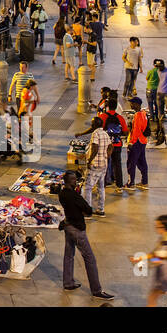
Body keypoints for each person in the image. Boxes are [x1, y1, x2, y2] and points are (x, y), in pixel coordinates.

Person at [57, 170, 113, 300]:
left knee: (69, 255)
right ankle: (96, 290)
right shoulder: (75, 196)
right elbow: (88, 210)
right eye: (73, 179)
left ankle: (68, 282)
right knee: (90, 259)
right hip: (77, 229)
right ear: (69, 181)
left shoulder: (62, 194)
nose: (75, 181)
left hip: (67, 226)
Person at [83, 117, 111, 215]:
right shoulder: (105, 134)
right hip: (103, 165)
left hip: (95, 165)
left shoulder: (95, 134)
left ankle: (87, 211)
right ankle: (101, 209)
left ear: (94, 125)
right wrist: (106, 156)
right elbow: (111, 146)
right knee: (101, 187)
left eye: (92, 124)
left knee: (88, 187)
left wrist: (89, 160)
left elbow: (95, 147)